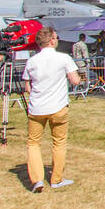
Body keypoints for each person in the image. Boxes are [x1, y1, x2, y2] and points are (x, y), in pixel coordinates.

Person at [22, 27, 81, 192]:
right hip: (58, 106)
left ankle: (37, 180)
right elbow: (75, 80)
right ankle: (56, 178)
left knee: (33, 143)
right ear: (52, 41)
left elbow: (27, 86)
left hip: (37, 107)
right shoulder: (63, 58)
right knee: (59, 142)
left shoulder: (32, 61)